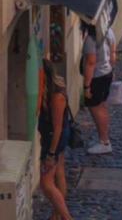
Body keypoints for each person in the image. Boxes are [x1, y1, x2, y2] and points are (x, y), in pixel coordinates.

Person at [38, 58, 73, 219]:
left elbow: (57, 128)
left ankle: (65, 217)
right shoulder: (49, 92)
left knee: (46, 184)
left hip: (55, 141)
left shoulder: (57, 96)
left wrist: (51, 154)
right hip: (55, 138)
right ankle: (56, 215)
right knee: (59, 173)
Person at [82, 22, 116, 154]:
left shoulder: (92, 38)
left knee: (95, 108)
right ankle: (103, 138)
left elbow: (91, 63)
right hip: (107, 73)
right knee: (101, 106)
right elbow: (113, 54)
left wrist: (86, 86)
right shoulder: (109, 31)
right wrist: (112, 70)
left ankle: (104, 141)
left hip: (97, 77)